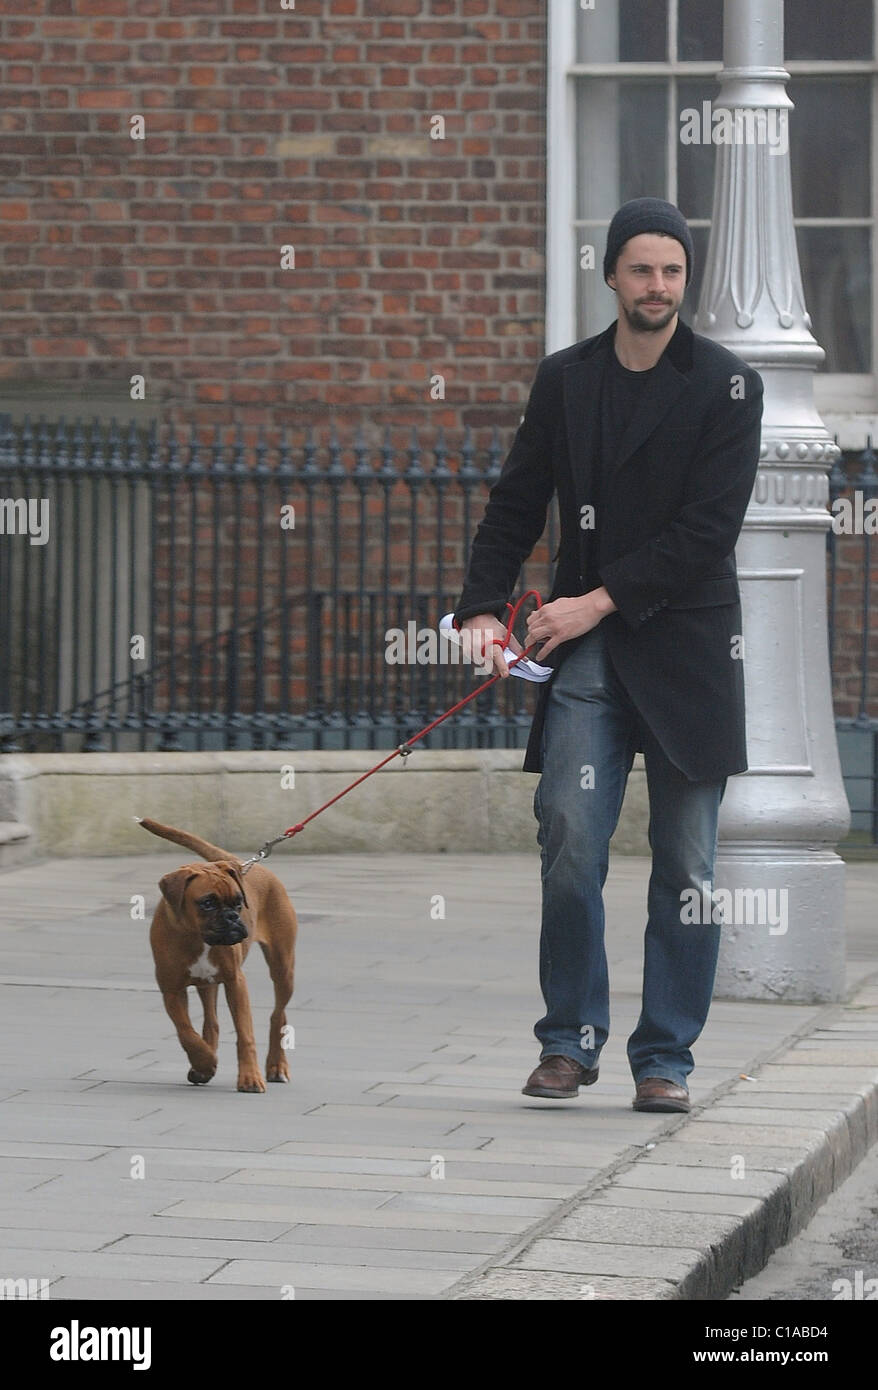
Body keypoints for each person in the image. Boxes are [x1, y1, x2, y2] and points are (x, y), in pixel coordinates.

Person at [452, 198, 764, 1113]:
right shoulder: (565, 380)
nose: (658, 286)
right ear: (612, 276)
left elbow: (707, 532)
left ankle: (665, 1058)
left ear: (685, 279)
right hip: (588, 663)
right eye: (641, 270)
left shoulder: (728, 387)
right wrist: (479, 608)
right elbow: (516, 502)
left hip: (690, 654)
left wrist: (592, 600)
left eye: (672, 271)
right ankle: (569, 1043)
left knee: (688, 866)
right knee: (570, 839)